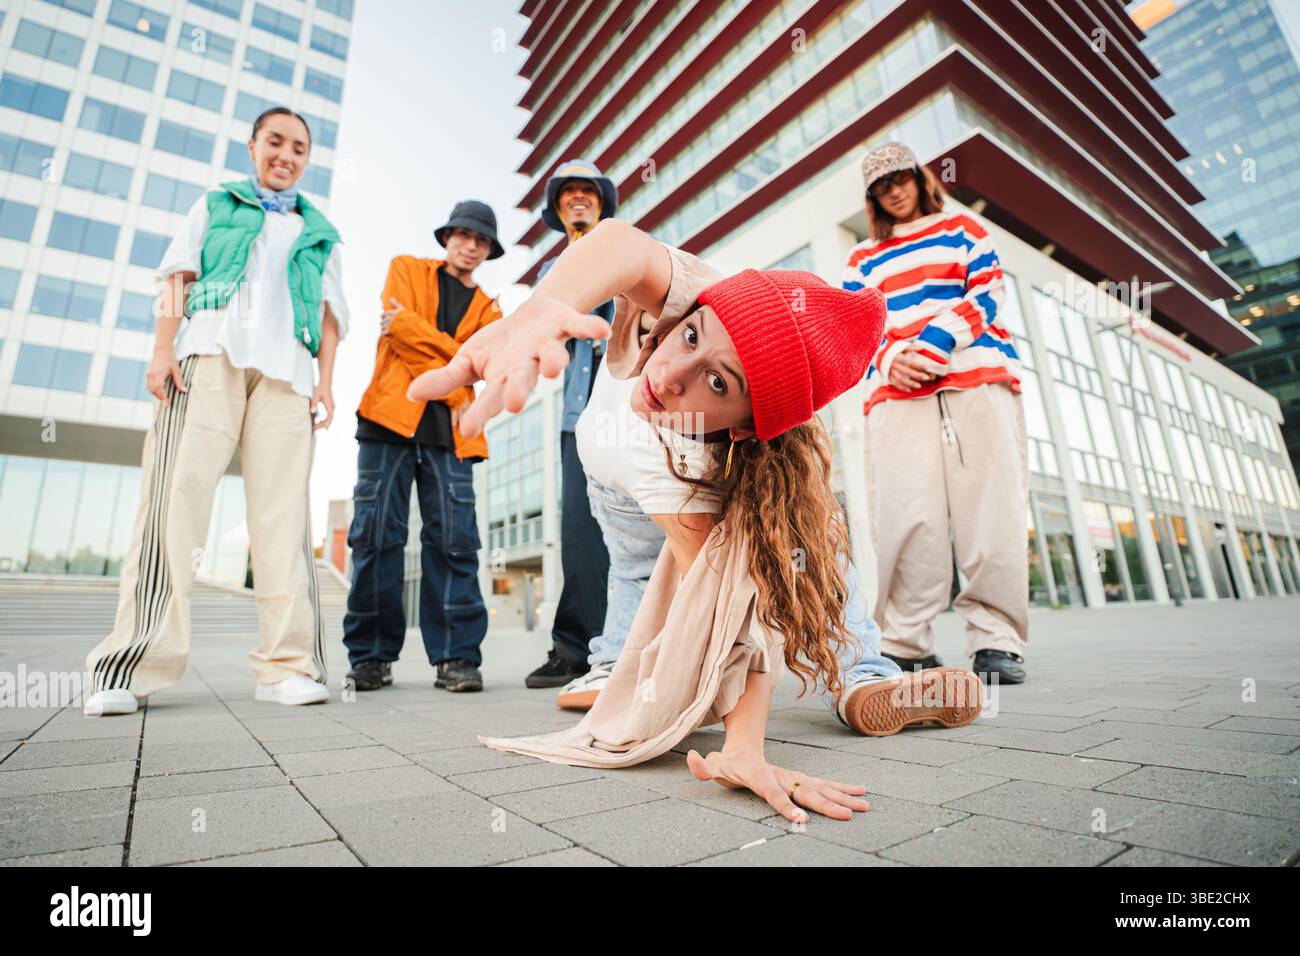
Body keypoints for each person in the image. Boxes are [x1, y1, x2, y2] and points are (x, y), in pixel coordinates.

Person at [409, 219, 984, 823]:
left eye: (714, 381)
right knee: (641, 571)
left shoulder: (694, 466)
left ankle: (861, 678)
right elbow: (618, 241)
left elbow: (734, 617)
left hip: (658, 473)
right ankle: (620, 665)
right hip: (615, 488)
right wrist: (538, 312)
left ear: (740, 426)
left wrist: (745, 750)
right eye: (688, 339)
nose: (669, 376)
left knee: (802, 543)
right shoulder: (708, 298)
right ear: (691, 312)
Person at [82, 107, 349, 716]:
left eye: (299, 147)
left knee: (283, 522)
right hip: (207, 357)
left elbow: (333, 317)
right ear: (253, 145)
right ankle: (132, 664)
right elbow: (177, 276)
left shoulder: (322, 231)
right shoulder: (217, 203)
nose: (286, 154)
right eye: (275, 142)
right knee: (174, 503)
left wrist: (325, 383)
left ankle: (286, 666)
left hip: (287, 375)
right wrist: (161, 351)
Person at [843, 141, 1029, 684]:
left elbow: (987, 292)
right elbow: (859, 324)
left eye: (899, 177)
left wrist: (930, 347)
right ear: (873, 198)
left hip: (976, 378)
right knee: (907, 518)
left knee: (988, 512)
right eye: (880, 186)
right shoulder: (862, 259)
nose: (893, 191)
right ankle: (904, 642)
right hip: (897, 394)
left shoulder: (964, 231)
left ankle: (996, 641)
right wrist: (895, 358)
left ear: (920, 177)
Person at [343, 201, 504, 694]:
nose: (470, 245)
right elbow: (447, 357)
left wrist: (441, 352)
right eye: (463, 235)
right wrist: (457, 368)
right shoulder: (405, 269)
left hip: (452, 432)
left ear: (488, 250)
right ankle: (370, 657)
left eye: (480, 240)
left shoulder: (492, 311)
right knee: (374, 537)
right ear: (448, 237)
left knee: (455, 543)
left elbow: (485, 364)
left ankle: (457, 657)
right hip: (388, 421)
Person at [524, 160, 617, 691]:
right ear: (559, 210)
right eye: (568, 195)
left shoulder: (626, 247)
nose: (578, 199)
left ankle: (638, 643)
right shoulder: (547, 273)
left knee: (642, 527)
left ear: (601, 202)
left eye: (588, 192)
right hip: (576, 416)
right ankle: (573, 649)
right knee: (580, 531)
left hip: (629, 409)